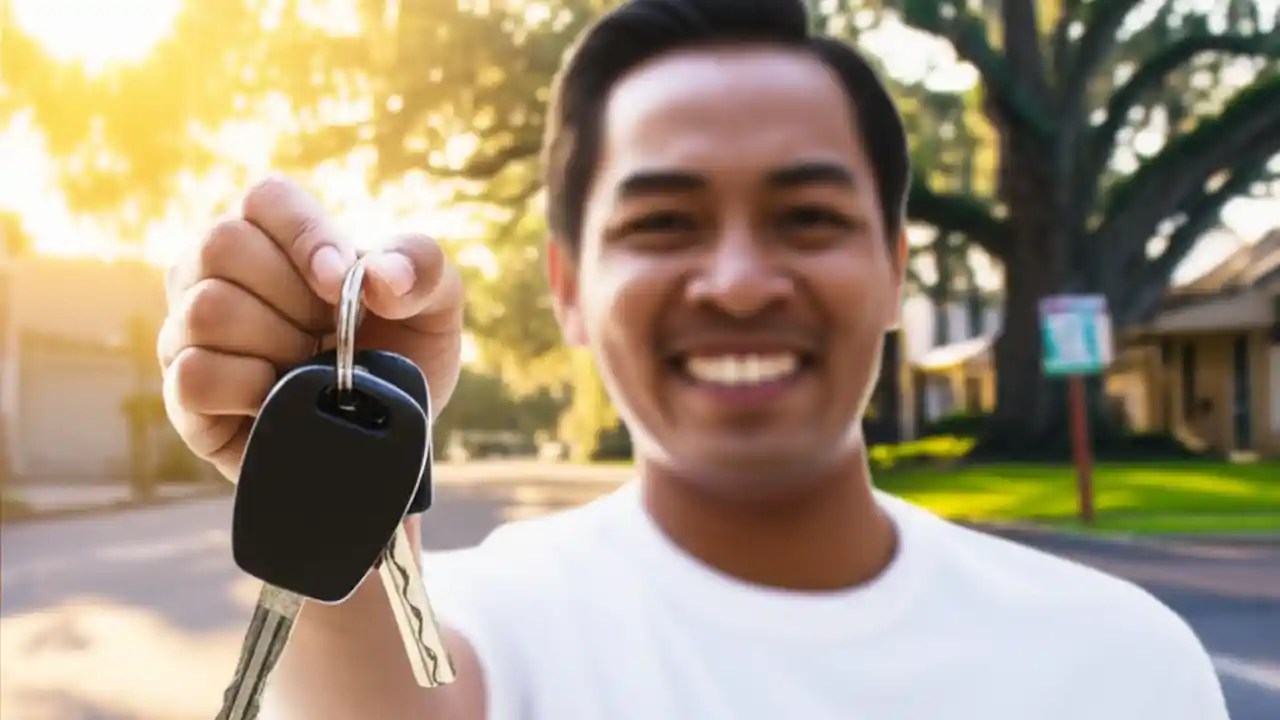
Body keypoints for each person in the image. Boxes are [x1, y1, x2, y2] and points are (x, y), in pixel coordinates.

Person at [158, 0, 1229, 718]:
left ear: (896, 268)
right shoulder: (493, 628)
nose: (736, 281)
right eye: (663, 224)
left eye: (805, 217)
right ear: (568, 288)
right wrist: (338, 456)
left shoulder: (1124, 662)